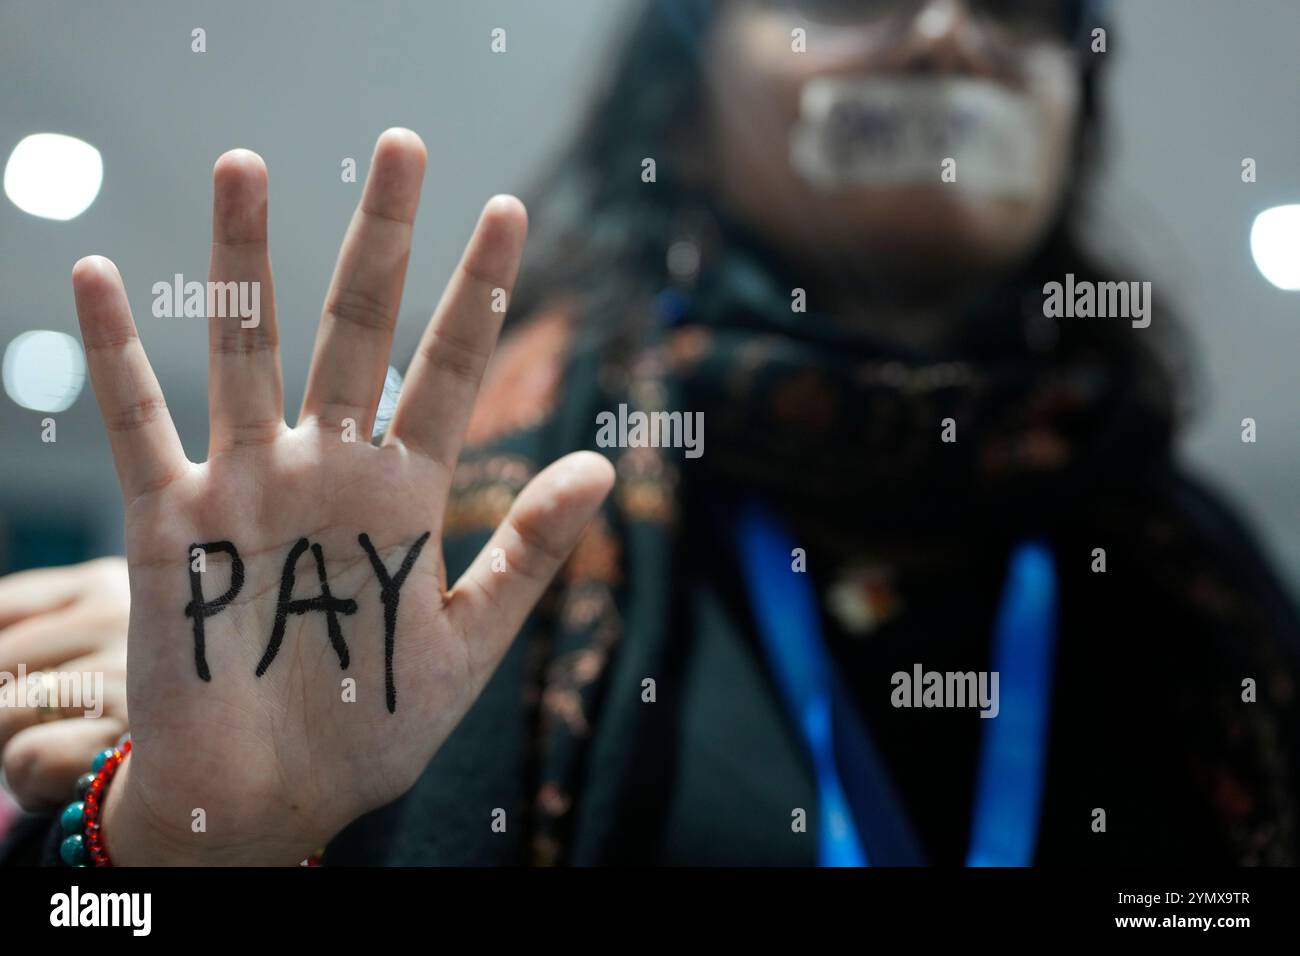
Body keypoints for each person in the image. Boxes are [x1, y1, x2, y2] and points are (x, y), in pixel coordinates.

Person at [2, 0, 1297, 866]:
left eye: (1026, 5)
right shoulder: (430, 538)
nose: (951, 31)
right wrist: (183, 837)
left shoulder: (1215, 588)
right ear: (683, 102)